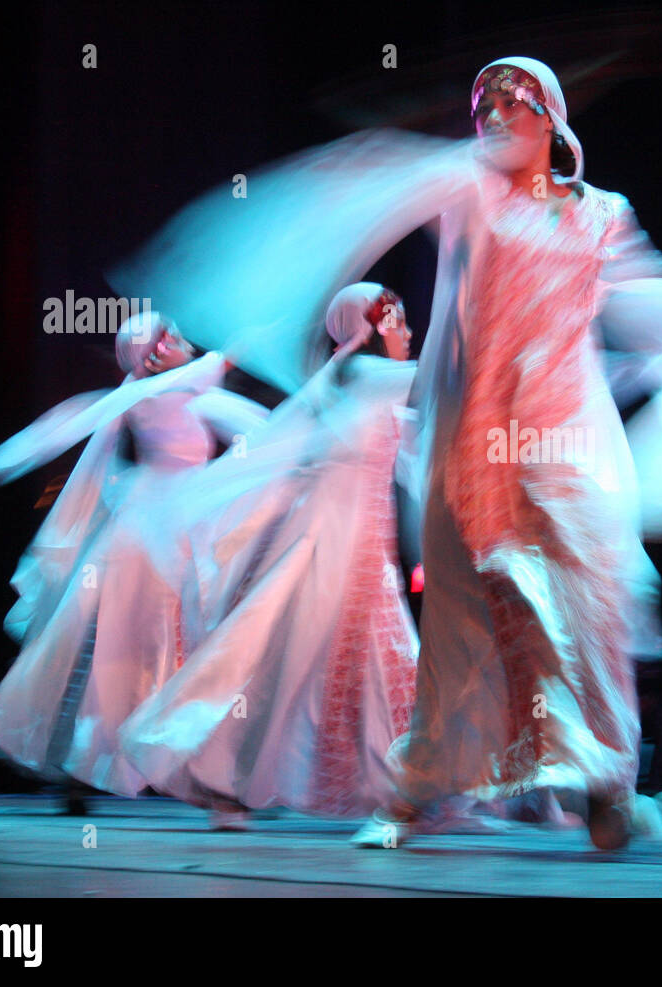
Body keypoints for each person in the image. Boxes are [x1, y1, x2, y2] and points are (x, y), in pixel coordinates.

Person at [350, 56, 662, 850]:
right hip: (482, 440)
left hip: (567, 439)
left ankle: (609, 786)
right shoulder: (472, 198)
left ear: (552, 115)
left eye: (515, 101)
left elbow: (646, 299)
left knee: (586, 607)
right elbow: (397, 183)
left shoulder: (603, 212)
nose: (497, 115)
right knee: (471, 615)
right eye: (485, 106)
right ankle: (417, 788)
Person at [120, 284, 419, 829]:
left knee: (352, 666)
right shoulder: (360, 376)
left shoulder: (357, 383)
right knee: (283, 662)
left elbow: (416, 443)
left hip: (365, 553)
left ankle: (401, 789)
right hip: (332, 549)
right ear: (371, 328)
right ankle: (221, 773)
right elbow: (436, 379)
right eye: (398, 322)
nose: (408, 332)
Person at [0, 314, 267, 803]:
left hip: (177, 523)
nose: (180, 341)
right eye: (168, 337)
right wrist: (248, 337)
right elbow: (212, 367)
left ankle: (187, 772)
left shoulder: (182, 393)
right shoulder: (155, 392)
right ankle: (104, 764)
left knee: (158, 652)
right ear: (150, 355)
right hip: (148, 534)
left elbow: (251, 423)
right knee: (132, 654)